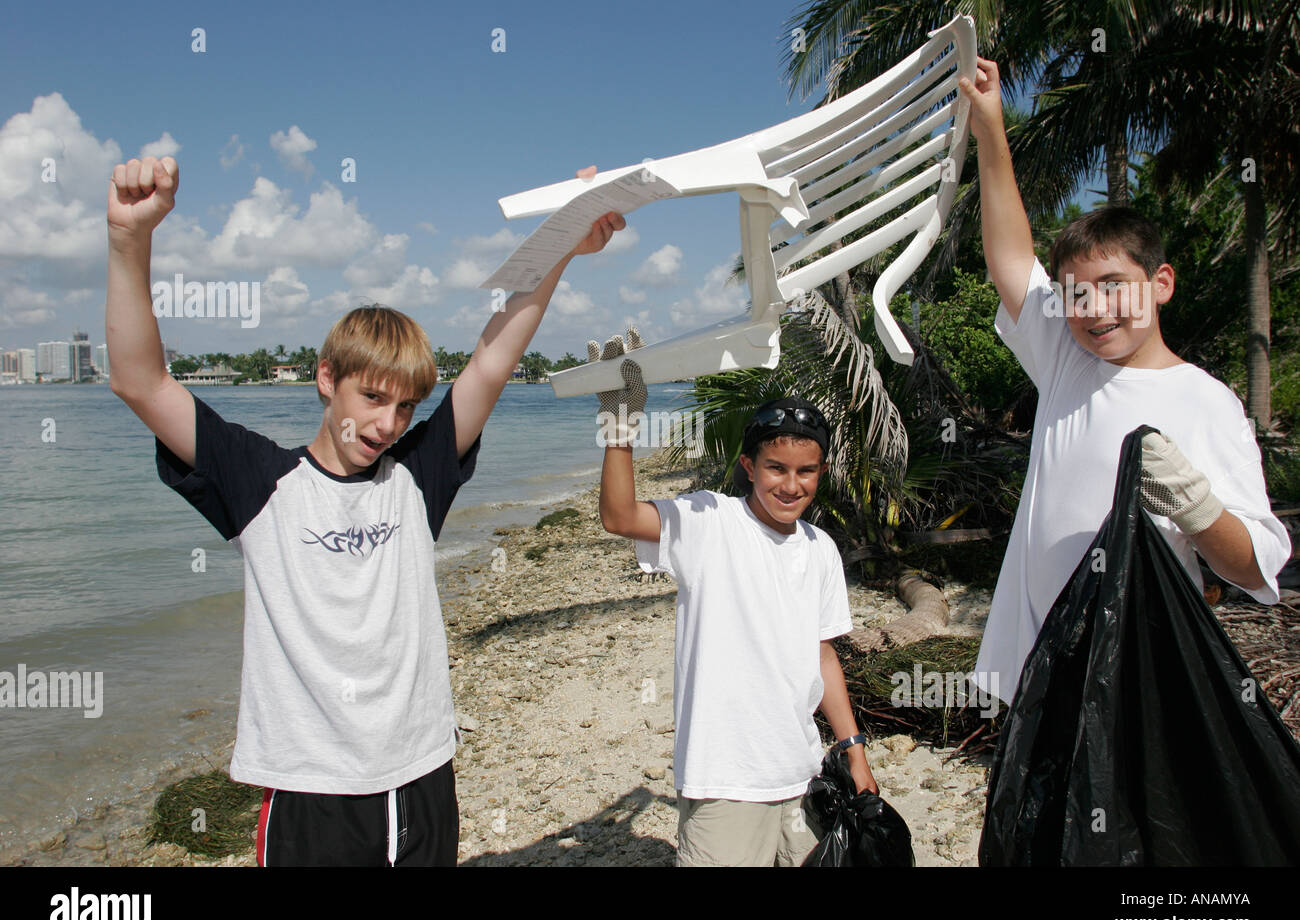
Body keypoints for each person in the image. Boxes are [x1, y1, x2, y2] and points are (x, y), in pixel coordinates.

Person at [106, 154, 624, 866]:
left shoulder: (415, 476)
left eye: (405, 405)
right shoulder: (260, 478)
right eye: (373, 398)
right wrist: (129, 239)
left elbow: (493, 359)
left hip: (421, 775)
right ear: (327, 379)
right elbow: (140, 381)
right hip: (310, 791)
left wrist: (563, 242)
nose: (387, 423)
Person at [957, 59, 1291, 704]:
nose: (1095, 309)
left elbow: (1253, 567)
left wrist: (1195, 506)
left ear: (1160, 284)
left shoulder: (1207, 402)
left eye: (1115, 287)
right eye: (1077, 294)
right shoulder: (1065, 359)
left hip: (1140, 686)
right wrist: (991, 130)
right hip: (1036, 675)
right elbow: (1009, 258)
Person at [593, 334, 878, 866]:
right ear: (749, 466)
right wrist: (619, 428)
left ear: (821, 472)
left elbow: (821, 655)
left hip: (803, 771)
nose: (791, 485)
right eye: (776, 468)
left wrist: (852, 749)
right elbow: (620, 516)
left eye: (806, 471)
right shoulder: (710, 522)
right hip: (723, 779)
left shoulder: (821, 549)